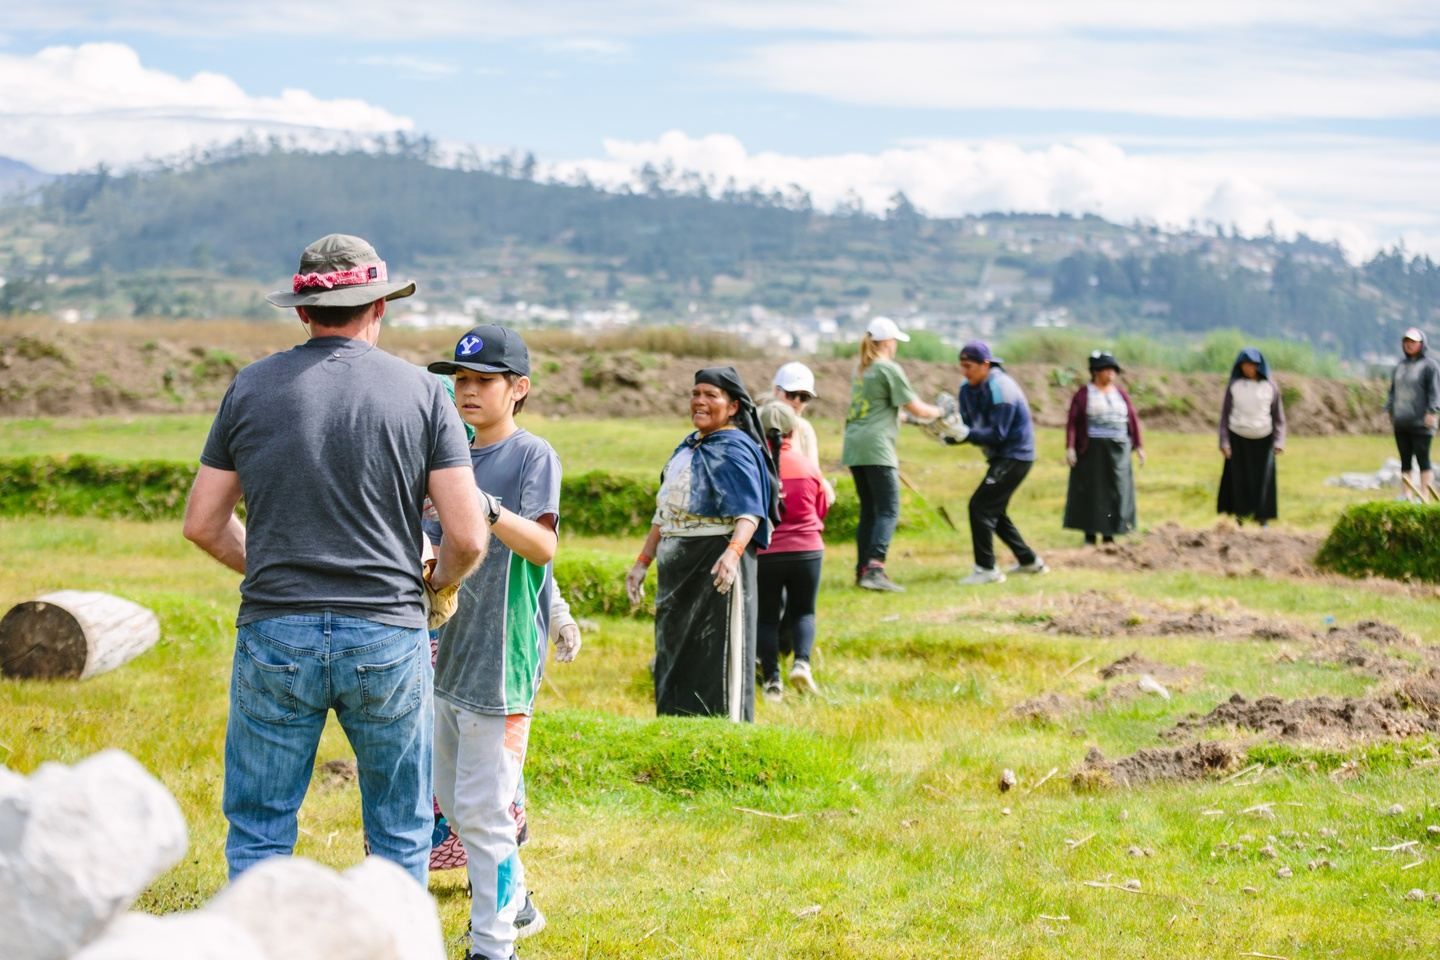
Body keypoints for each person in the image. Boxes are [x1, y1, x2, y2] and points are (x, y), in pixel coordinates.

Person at [182, 233, 486, 884]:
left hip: (274, 631)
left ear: (301, 311)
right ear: (379, 306)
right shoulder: (422, 394)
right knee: (400, 830)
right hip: (387, 629)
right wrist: (439, 584)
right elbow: (468, 536)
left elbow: (203, 524)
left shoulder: (251, 387)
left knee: (261, 829)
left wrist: (266, 567)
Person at [423, 325, 563, 960]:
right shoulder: (451, 456)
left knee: (482, 810)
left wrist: (485, 509)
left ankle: (493, 944)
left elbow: (543, 547)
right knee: (456, 803)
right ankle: (519, 903)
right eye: (461, 380)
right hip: (442, 657)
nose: (468, 390)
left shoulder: (533, 456)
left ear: (519, 389)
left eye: (483, 380)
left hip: (501, 661)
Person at [625, 367, 776, 722]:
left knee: (715, 654)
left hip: (714, 562)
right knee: (674, 651)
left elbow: (750, 511)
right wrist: (642, 561)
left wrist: (733, 553)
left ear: (734, 406)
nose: (700, 401)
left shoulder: (736, 448)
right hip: (676, 567)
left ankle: (722, 730)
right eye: (696, 393)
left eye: (711, 395)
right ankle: (676, 724)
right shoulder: (687, 447)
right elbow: (665, 512)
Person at [840, 317, 941, 592]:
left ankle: (862, 571)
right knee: (888, 509)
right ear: (887, 342)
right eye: (894, 341)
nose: (896, 346)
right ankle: (876, 568)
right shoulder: (888, 368)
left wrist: (905, 418)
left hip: (854, 445)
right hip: (876, 447)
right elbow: (918, 407)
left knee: (869, 511)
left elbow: (879, 408)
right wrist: (942, 412)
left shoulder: (862, 369)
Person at [755, 402, 830, 702]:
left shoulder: (757, 468)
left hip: (768, 553)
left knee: (767, 618)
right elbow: (821, 507)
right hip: (808, 550)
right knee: (804, 612)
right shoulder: (807, 466)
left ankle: (772, 681)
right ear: (793, 429)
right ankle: (801, 663)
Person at [954, 340, 1045, 584]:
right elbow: (966, 425)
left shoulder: (1002, 388)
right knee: (994, 510)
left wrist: (965, 434)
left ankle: (987, 570)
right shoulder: (967, 387)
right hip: (1002, 456)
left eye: (969, 366)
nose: (964, 371)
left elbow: (997, 433)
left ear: (985, 364)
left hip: (1015, 456)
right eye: (961, 366)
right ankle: (1029, 561)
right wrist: (949, 434)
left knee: (979, 507)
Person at [1064, 351, 1145, 544]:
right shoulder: (1084, 394)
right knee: (1091, 491)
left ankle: (1110, 534)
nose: (1111, 374)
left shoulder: (1120, 394)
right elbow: (1073, 422)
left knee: (1116, 491)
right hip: (1091, 450)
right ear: (1095, 372)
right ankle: (1090, 534)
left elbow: (1132, 420)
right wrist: (1070, 447)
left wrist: (1139, 446)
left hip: (1118, 451)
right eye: (1106, 370)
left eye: (1113, 371)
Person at [1217, 347, 1287, 526]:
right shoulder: (1234, 386)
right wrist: (1224, 442)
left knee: (1262, 480)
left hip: (1263, 439)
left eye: (1252, 365)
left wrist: (1279, 441)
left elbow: (1279, 418)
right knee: (1239, 481)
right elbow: (1225, 416)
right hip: (1238, 438)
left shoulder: (1270, 387)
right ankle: (1240, 518)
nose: (1248, 369)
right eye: (1244, 365)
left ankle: (1262, 519)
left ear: (1259, 366)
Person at [770, 361, 837, 506]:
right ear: (776, 390)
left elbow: (813, 470)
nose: (797, 401)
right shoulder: (756, 423)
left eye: (804, 397)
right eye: (791, 394)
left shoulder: (805, 429)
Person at [1386, 327, 1440, 497]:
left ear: (1421, 344)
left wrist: (1432, 411)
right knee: (1405, 460)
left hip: (1422, 423)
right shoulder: (1400, 366)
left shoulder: (1429, 366)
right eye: (1406, 342)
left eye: (1413, 342)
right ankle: (1405, 494)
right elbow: (1393, 391)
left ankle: (1424, 494)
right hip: (1401, 422)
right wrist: (1389, 408)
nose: (1409, 345)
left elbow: (1435, 392)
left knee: (1423, 460)